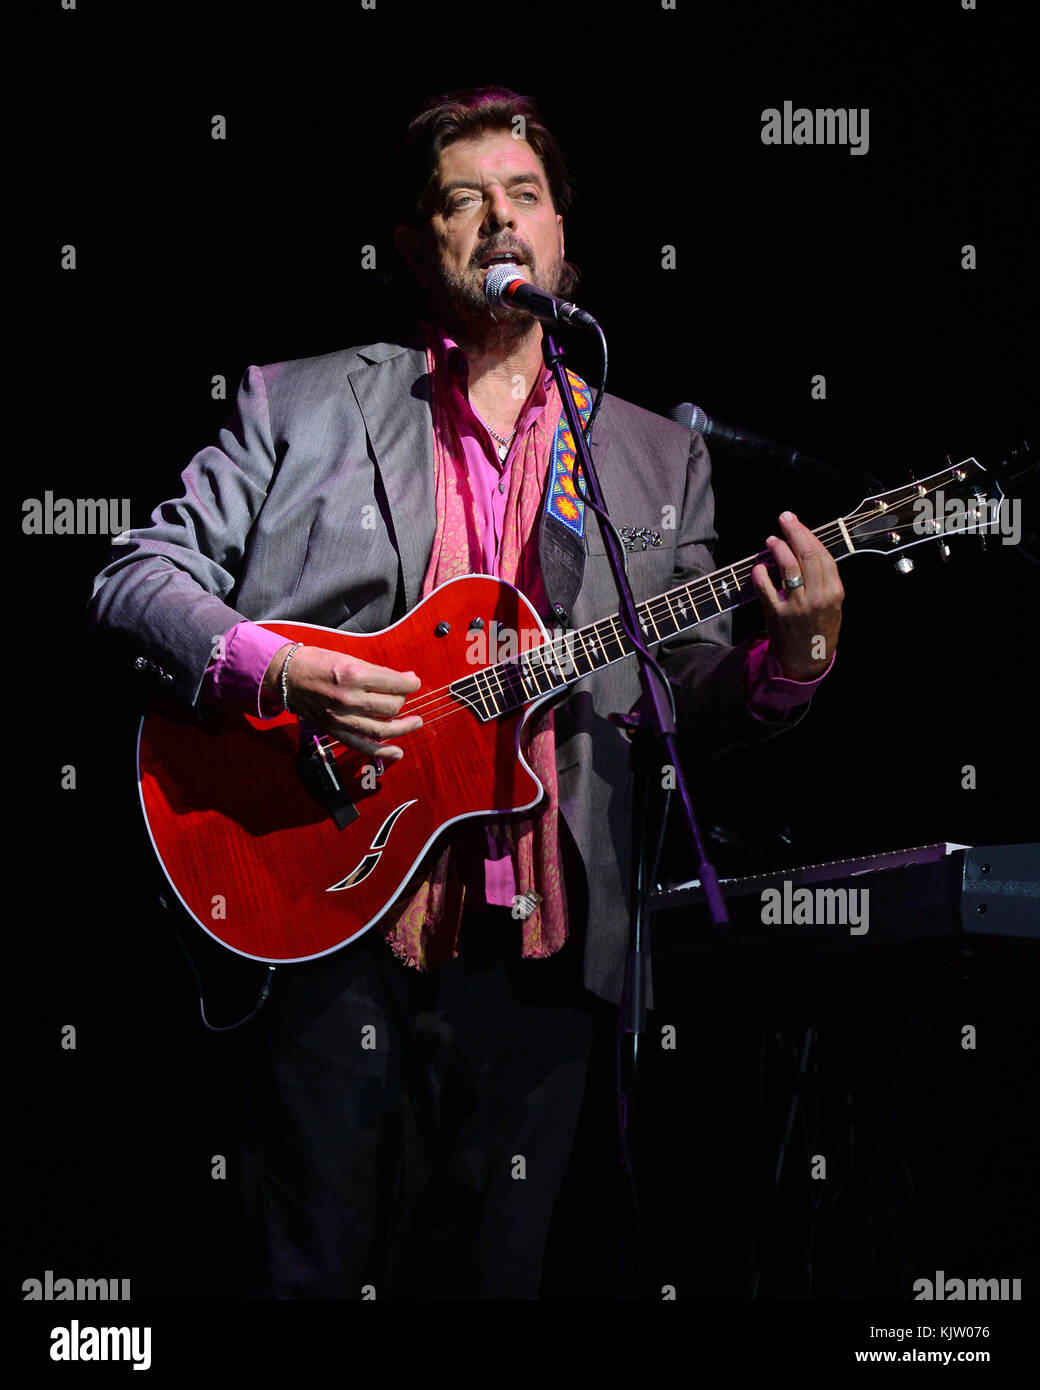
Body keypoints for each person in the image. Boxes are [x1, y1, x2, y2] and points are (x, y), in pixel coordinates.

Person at [87, 85, 844, 1299]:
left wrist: (790, 658)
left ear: (562, 248)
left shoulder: (655, 454)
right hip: (327, 912)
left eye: (524, 195)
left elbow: (681, 698)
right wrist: (281, 667)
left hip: (543, 956)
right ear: (413, 246)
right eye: (462, 198)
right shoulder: (300, 403)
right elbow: (134, 579)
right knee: (308, 1277)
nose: (498, 217)